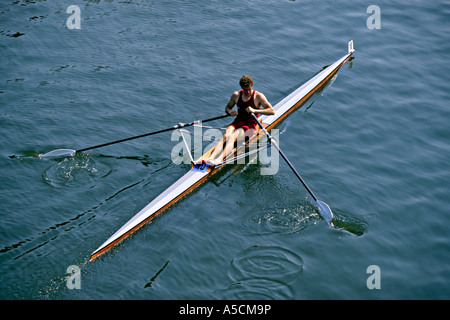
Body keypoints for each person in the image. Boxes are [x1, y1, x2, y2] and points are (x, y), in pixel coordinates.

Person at [205, 75, 275, 165]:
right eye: (246, 90)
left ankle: (219, 159)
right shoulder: (236, 95)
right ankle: (211, 157)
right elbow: (227, 108)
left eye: (250, 89)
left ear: (252, 86)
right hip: (237, 122)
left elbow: (272, 111)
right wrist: (230, 111)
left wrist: (255, 110)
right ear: (242, 88)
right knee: (226, 135)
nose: (248, 92)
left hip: (250, 125)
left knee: (232, 137)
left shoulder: (258, 96)